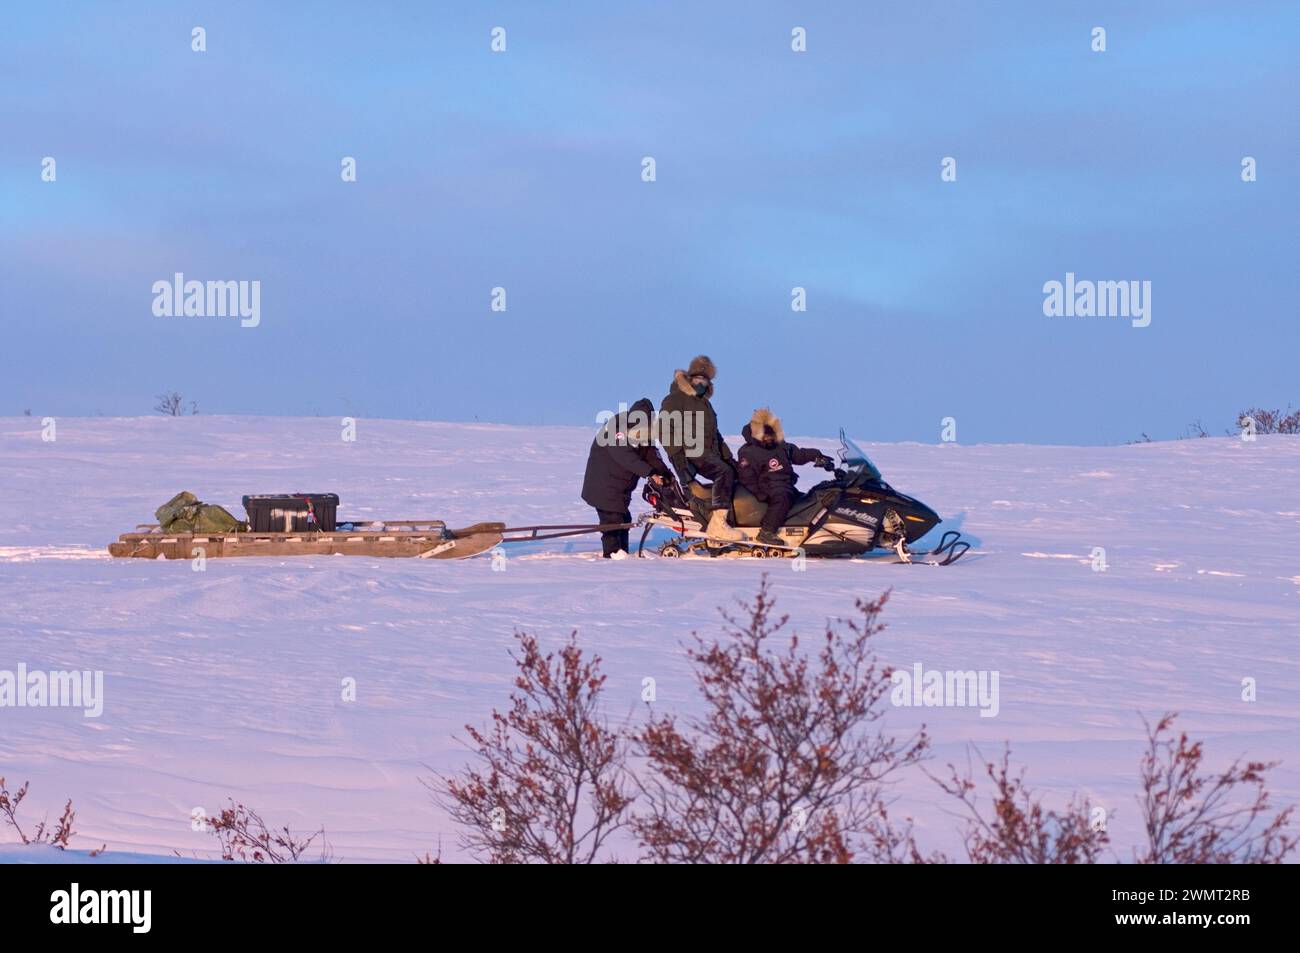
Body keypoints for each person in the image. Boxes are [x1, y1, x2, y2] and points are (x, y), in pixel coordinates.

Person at [658, 355, 743, 541]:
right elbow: (665, 428)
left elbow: (715, 436)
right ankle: (718, 525)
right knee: (724, 473)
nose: (700, 382)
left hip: (705, 453)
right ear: (689, 378)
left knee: (735, 474)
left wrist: (728, 458)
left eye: (704, 380)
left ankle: (734, 520)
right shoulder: (676, 398)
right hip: (690, 453)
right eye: (697, 378)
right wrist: (676, 454)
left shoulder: (705, 404)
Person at [581, 397, 672, 558]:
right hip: (603, 486)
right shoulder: (614, 428)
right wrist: (650, 473)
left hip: (620, 489)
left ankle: (622, 555)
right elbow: (625, 456)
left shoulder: (644, 434)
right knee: (613, 521)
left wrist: (665, 474)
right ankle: (612, 556)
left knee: (624, 519)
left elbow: (651, 456)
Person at [736, 407, 835, 546]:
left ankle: (805, 532)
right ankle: (766, 532)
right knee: (782, 499)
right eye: (766, 435)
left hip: (784, 484)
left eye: (772, 434)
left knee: (808, 501)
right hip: (768, 487)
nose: (769, 438)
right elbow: (746, 476)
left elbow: (799, 454)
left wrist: (817, 456)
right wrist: (759, 494)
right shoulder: (749, 452)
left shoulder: (780, 445)